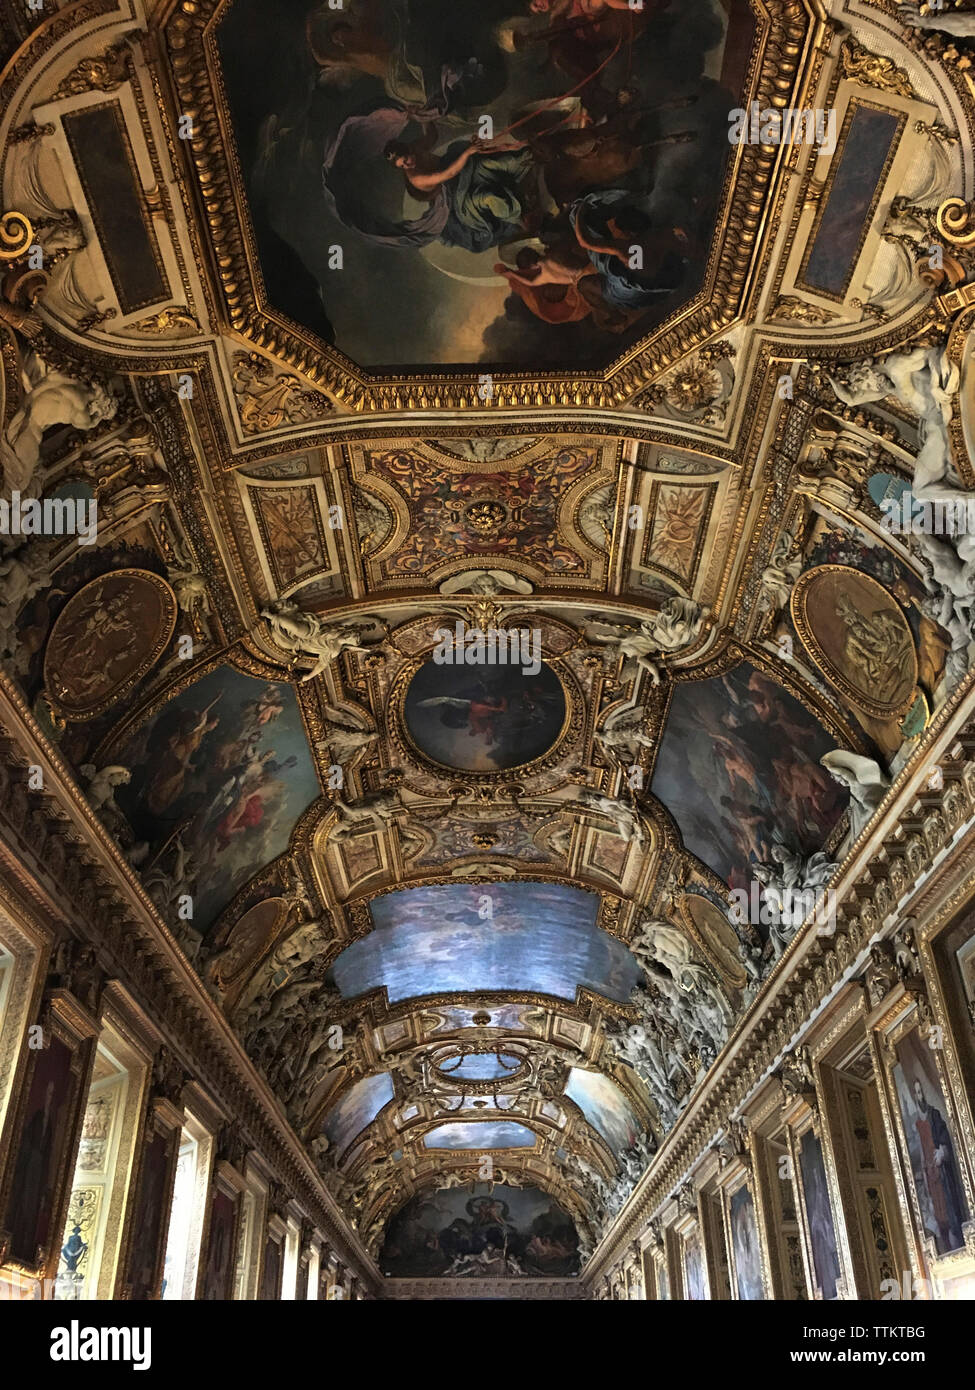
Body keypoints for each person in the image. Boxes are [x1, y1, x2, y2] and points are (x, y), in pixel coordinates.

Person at [910, 1075, 967, 1252]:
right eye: (917, 1093)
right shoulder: (918, 1123)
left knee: (949, 1210)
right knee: (939, 1215)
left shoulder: (934, 1114)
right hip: (930, 1173)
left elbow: (944, 1139)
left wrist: (942, 1151)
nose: (920, 1096)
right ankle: (949, 1249)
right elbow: (921, 1149)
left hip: (941, 1170)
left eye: (921, 1092)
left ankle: (962, 1245)